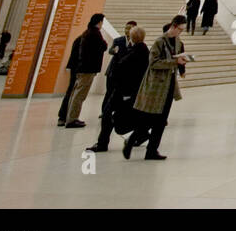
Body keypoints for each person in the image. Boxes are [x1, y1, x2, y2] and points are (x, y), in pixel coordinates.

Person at [124, 15, 187, 160]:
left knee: (161, 120)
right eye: (180, 29)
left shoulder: (178, 42)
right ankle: (131, 140)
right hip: (156, 86)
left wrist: (181, 62)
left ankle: (152, 150)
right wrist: (174, 62)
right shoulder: (159, 42)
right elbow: (153, 63)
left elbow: (175, 60)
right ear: (174, 26)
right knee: (148, 118)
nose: (181, 32)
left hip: (169, 84)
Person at [87, 25, 148, 152]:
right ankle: (141, 135)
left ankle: (103, 143)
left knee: (108, 115)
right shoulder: (141, 50)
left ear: (132, 37)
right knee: (114, 116)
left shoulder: (136, 52)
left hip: (124, 90)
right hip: (127, 89)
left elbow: (122, 69)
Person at [63, 13, 109, 128]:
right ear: (99, 22)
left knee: (76, 94)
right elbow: (104, 46)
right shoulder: (94, 33)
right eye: (102, 22)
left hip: (82, 67)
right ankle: (72, 119)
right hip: (88, 68)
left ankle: (70, 117)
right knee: (79, 95)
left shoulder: (87, 33)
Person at [56, 33, 84, 126]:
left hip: (76, 68)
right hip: (79, 68)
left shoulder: (81, 38)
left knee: (71, 91)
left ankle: (64, 116)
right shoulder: (85, 38)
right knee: (73, 92)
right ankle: (67, 117)